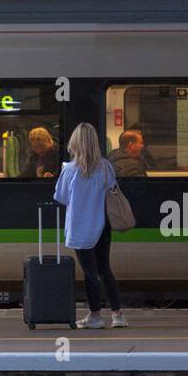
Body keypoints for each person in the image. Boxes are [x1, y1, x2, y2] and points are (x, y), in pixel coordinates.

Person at [54, 122, 127, 330]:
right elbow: (112, 189)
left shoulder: (69, 170)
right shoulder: (105, 167)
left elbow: (61, 197)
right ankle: (118, 315)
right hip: (103, 225)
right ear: (95, 142)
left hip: (81, 227)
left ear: (74, 143)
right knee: (105, 269)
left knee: (90, 272)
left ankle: (95, 316)